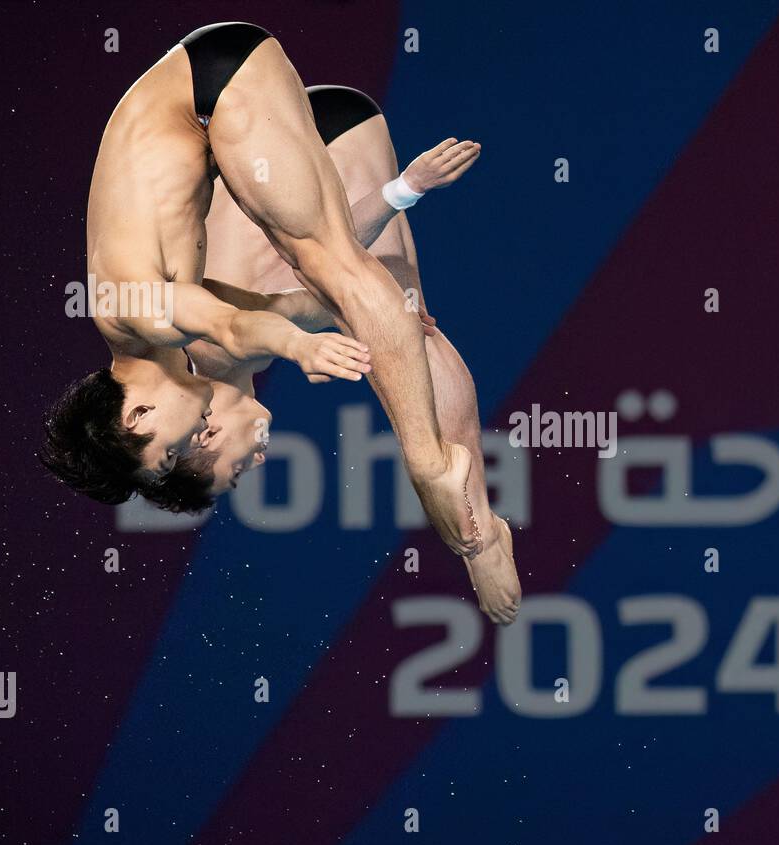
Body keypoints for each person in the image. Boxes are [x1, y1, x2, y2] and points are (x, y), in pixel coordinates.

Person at [41, 22, 480, 558]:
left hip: (214, 88)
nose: (191, 440)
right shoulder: (141, 330)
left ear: (137, 416)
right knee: (336, 279)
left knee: (332, 263)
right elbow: (274, 308)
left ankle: (430, 466)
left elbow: (232, 326)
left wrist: (301, 346)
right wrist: (359, 317)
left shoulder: (136, 317)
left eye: (169, 451)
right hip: (209, 91)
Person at [170, 85, 518, 624]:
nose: (257, 461)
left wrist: (406, 189)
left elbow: (325, 262)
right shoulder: (199, 353)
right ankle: (475, 526)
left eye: (237, 470)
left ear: (209, 433)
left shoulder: (216, 350)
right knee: (389, 314)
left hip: (311, 137)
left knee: (384, 317)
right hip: (289, 128)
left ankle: (480, 537)